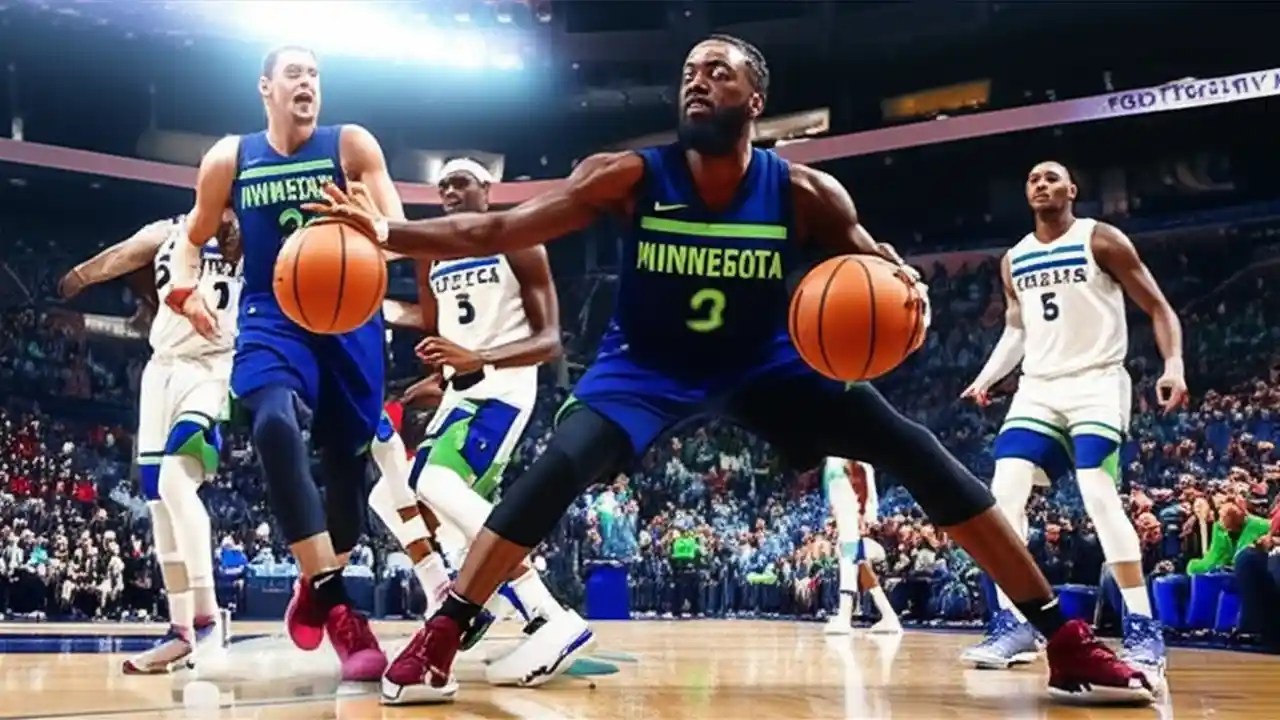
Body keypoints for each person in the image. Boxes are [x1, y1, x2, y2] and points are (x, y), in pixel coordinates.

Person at [310, 34, 1152, 705]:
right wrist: (386, 234)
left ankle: (1065, 641)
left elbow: (877, 267)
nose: (697, 81)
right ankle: (445, 633)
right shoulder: (633, 175)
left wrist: (909, 293)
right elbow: (495, 230)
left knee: (914, 447)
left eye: (718, 71)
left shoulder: (804, 194)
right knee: (558, 466)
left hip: (766, 363)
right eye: (688, 71)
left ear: (756, 99)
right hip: (643, 367)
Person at [165, 45, 403, 682]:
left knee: (347, 488)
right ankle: (338, 605)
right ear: (265, 87)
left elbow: (400, 230)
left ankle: (313, 583)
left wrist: (372, 222)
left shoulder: (352, 144)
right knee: (272, 423)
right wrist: (183, 290)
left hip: (352, 317)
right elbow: (190, 240)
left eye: (315, 74)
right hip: (275, 311)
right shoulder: (231, 157)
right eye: (294, 73)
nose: (308, 83)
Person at [959, 161, 1187, 684]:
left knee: (1097, 492)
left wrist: (1173, 366)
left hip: (1097, 382)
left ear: (1072, 190)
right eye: (1032, 179)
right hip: (1038, 388)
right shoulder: (1014, 258)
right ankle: (1015, 625)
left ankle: (1143, 628)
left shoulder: (1101, 240)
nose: (1040, 184)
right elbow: (1018, 331)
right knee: (1003, 495)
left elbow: (1159, 308)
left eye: (1051, 177)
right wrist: (986, 379)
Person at [373, 159, 594, 697]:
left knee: (434, 482)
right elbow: (440, 337)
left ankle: (544, 612)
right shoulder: (431, 257)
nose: (449, 190)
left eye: (462, 181)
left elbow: (550, 342)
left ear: (487, 191)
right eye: (443, 183)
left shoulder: (517, 239)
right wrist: (439, 375)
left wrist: (478, 359)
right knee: (390, 493)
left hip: (505, 388)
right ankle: (463, 592)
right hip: (463, 388)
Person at [58, 213, 241, 673]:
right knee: (158, 501)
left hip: (214, 368)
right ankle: (180, 630)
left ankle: (207, 621)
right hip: (161, 368)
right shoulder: (170, 230)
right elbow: (122, 254)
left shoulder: (252, 230)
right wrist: (80, 276)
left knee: (179, 486)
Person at [821, 458, 900, 636]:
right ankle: (889, 615)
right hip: (846, 511)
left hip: (852, 511)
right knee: (859, 562)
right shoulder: (833, 459)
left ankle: (844, 615)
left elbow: (857, 471)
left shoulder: (844, 451)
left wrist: (862, 512)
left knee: (848, 559)